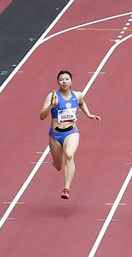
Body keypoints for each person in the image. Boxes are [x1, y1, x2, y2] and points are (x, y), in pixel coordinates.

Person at [39, 69, 100, 200]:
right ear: (58, 82)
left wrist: (88, 114)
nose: (64, 82)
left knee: (69, 155)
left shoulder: (77, 95)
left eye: (66, 79)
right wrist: (51, 106)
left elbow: (81, 103)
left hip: (71, 132)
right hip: (55, 135)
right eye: (61, 79)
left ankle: (66, 188)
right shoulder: (52, 96)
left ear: (71, 81)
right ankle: (56, 161)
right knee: (58, 166)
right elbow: (42, 116)